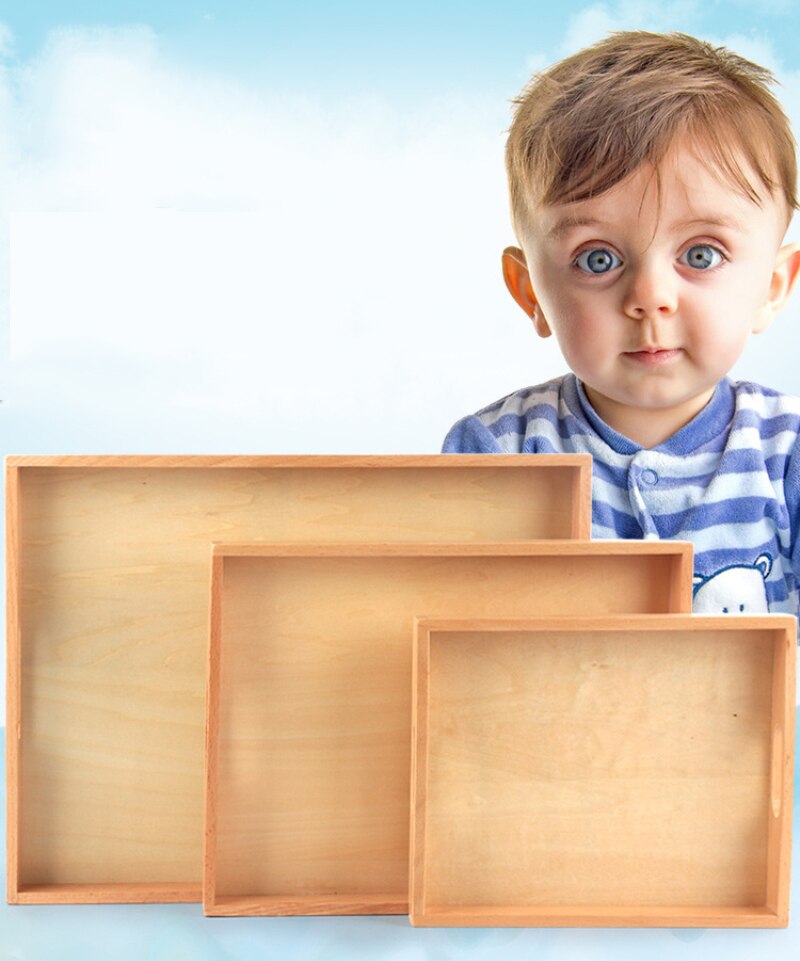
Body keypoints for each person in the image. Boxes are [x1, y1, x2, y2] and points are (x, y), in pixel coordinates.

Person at [442, 31, 800, 615]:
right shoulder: (496, 455)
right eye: (598, 259)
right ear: (530, 291)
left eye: (701, 254)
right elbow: (444, 645)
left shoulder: (787, 454)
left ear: (774, 285)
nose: (650, 298)